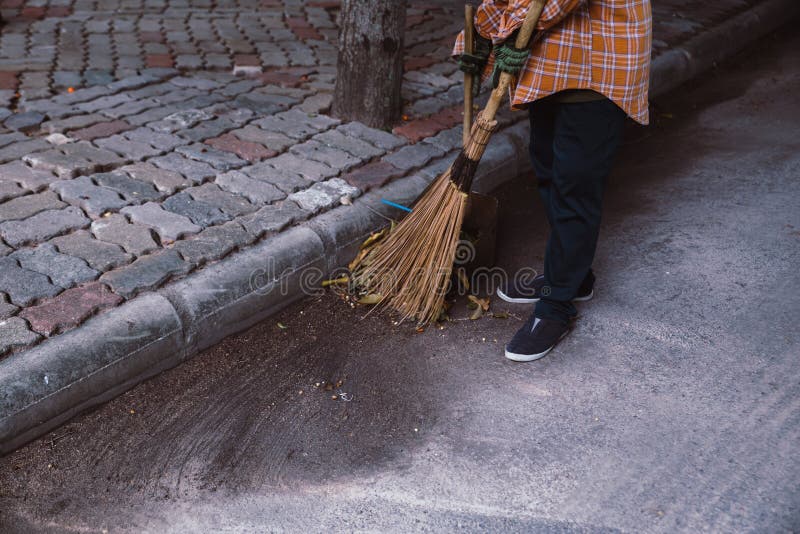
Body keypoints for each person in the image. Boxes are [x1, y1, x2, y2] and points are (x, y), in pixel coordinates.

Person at [455, 0, 652, 362]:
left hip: (598, 61)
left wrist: (501, 32)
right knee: (547, 168)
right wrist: (479, 35)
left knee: (574, 183)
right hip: (550, 62)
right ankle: (573, 277)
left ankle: (557, 305)